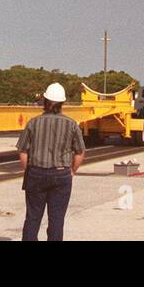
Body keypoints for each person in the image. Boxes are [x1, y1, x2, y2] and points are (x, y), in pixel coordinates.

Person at [17, 82, 85, 241]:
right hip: (61, 174)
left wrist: (29, 170)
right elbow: (80, 152)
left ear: (45, 102)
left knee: (33, 217)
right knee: (56, 219)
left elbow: (22, 151)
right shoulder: (71, 124)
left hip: (36, 173)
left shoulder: (33, 123)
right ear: (62, 103)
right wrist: (72, 171)